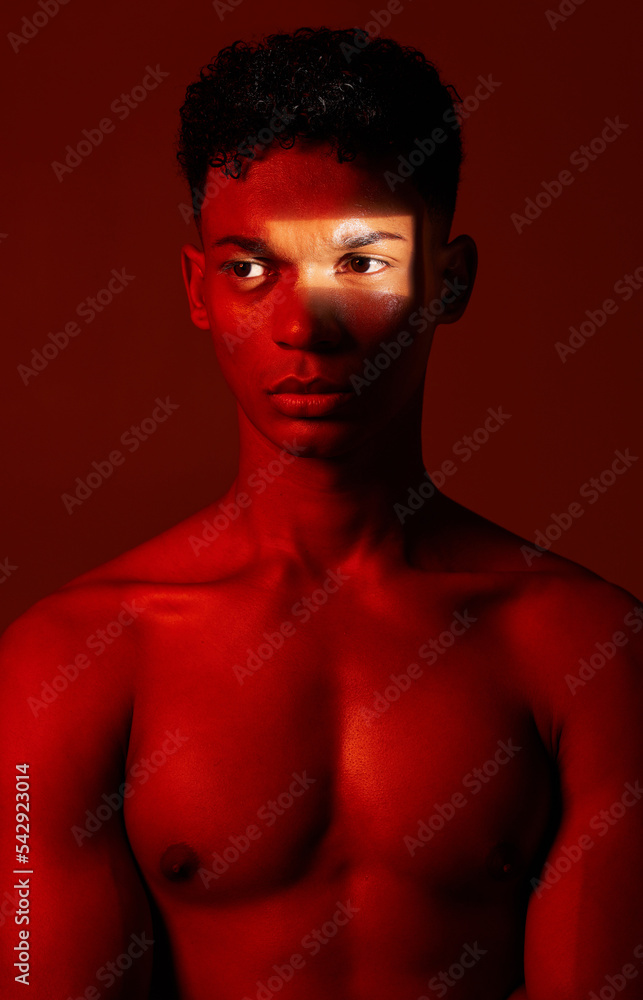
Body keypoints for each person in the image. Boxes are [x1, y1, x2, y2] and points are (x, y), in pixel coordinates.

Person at [1, 26, 642, 1000]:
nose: (306, 328)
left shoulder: (589, 654)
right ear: (198, 290)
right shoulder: (68, 664)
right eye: (252, 269)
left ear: (449, 280)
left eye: (360, 263)